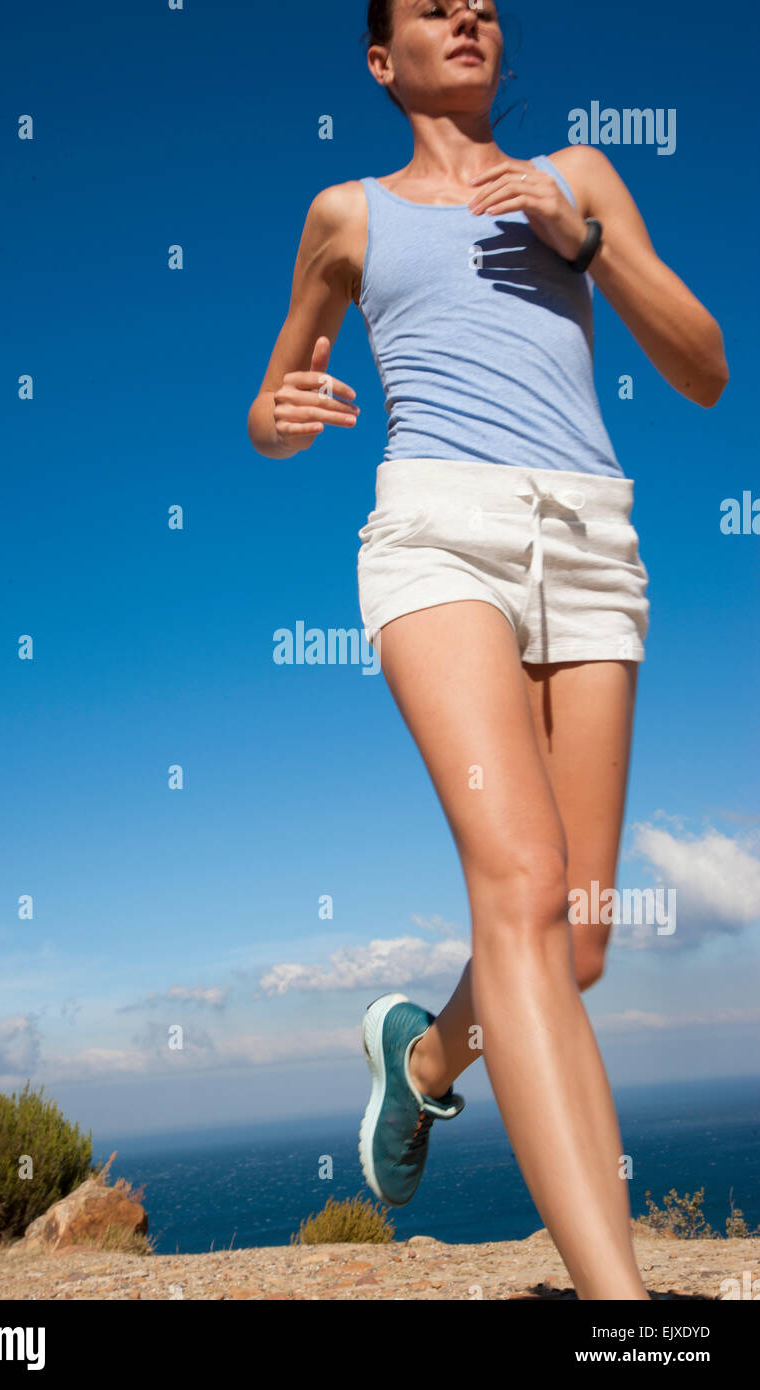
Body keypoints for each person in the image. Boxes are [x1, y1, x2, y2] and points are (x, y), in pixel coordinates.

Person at [247, 0, 728, 1301]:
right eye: (427, 3)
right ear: (379, 56)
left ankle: (417, 1065)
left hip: (589, 534)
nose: (465, 11)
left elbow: (704, 367)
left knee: (573, 941)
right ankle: (620, 1312)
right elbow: (270, 404)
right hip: (434, 534)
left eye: (481, 0)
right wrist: (284, 413)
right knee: (516, 888)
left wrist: (587, 244)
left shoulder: (580, 178)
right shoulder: (344, 214)